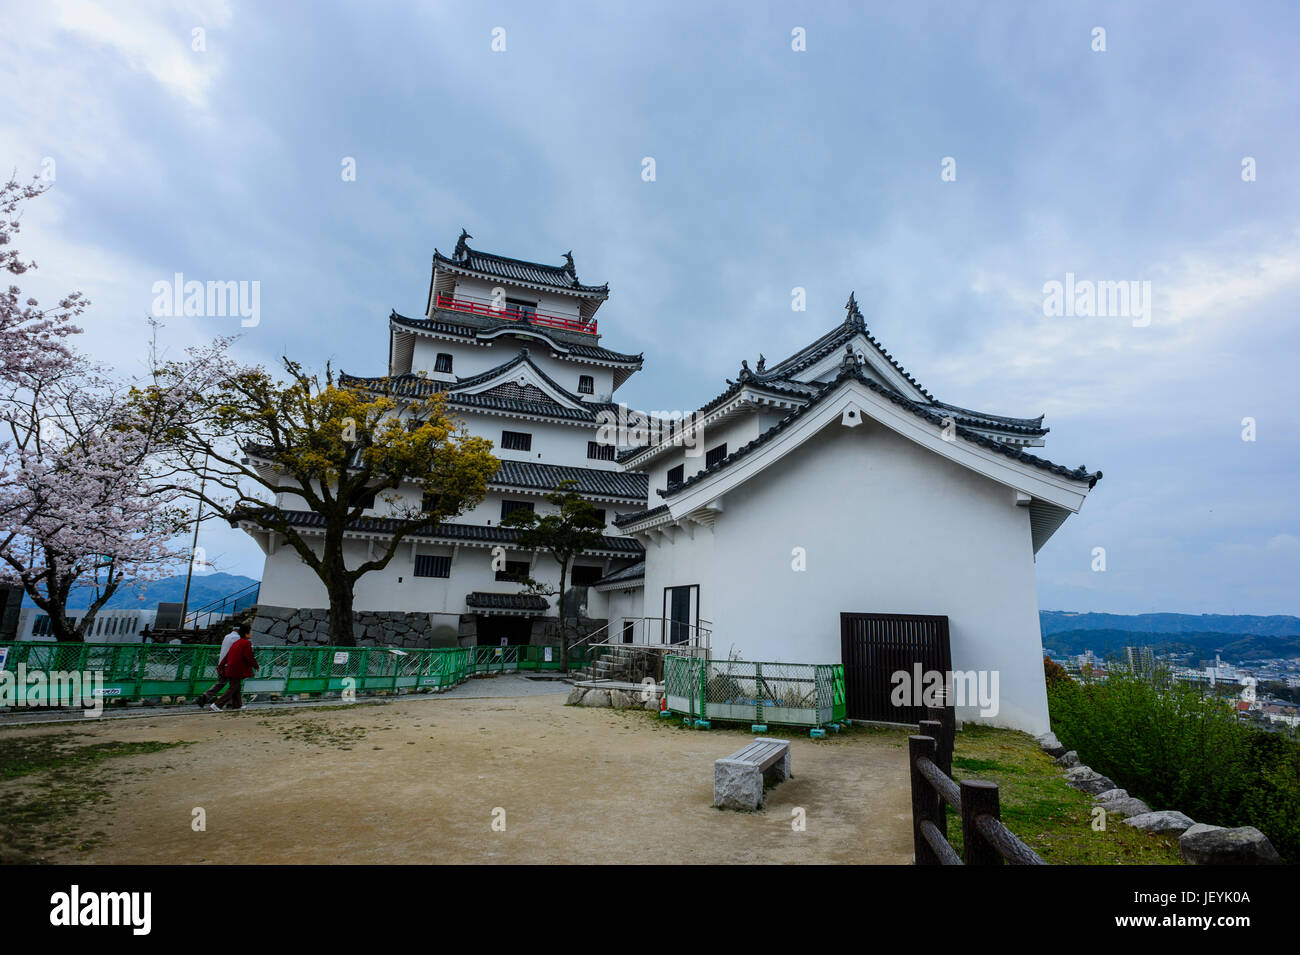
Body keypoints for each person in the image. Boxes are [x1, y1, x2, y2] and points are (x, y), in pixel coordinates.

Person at [198, 623, 248, 707]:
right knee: (234, 685)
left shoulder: (227, 636)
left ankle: (205, 697)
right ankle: (221, 704)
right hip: (231, 665)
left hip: (222, 664)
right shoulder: (237, 638)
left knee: (222, 683)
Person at [212, 626, 258, 712]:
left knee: (236, 686)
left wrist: (220, 666)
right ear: (246, 634)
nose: (251, 633)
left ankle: (237, 705)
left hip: (230, 668)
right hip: (236, 669)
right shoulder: (246, 643)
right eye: (250, 632)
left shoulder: (236, 643)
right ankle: (217, 704)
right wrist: (255, 666)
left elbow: (227, 656)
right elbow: (249, 656)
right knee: (233, 687)